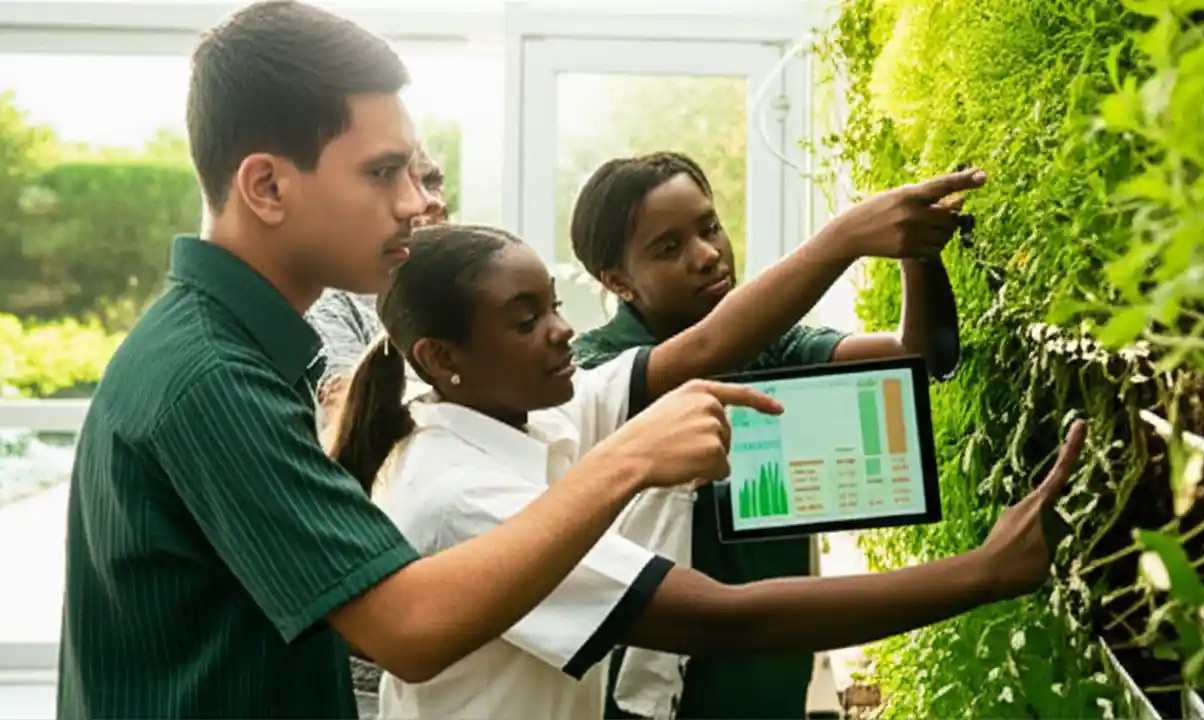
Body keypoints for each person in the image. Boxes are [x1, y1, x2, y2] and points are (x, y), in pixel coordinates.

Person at [55, 3, 779, 718]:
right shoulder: (209, 378)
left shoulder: (236, 347)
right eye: (382, 173)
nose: (414, 203)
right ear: (267, 187)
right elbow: (410, 628)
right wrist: (627, 461)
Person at [327, 220, 1085, 720]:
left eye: (553, 306)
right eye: (526, 322)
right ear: (441, 359)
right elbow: (726, 617)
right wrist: (984, 572)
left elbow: (703, 347)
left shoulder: (525, 409)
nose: (562, 333)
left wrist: (856, 235)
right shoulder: (463, 494)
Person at [568, 151, 964, 718]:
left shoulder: (770, 345)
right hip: (658, 695)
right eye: (668, 248)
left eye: (709, 228)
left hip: (771, 675)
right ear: (617, 281)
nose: (707, 256)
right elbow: (704, 351)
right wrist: (846, 237)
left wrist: (915, 252)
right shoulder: (594, 372)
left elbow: (916, 359)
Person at [308, 149, 448, 427]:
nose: (432, 204)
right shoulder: (336, 301)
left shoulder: (461, 291)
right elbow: (346, 400)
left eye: (432, 187)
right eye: (414, 188)